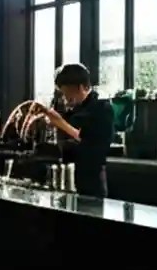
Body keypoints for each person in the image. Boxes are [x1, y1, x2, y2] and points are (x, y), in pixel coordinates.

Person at [36, 63, 114, 196]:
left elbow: (87, 140)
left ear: (81, 87)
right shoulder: (73, 111)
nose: (66, 99)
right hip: (68, 178)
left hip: (91, 181)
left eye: (68, 94)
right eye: (64, 95)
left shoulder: (102, 108)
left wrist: (59, 122)